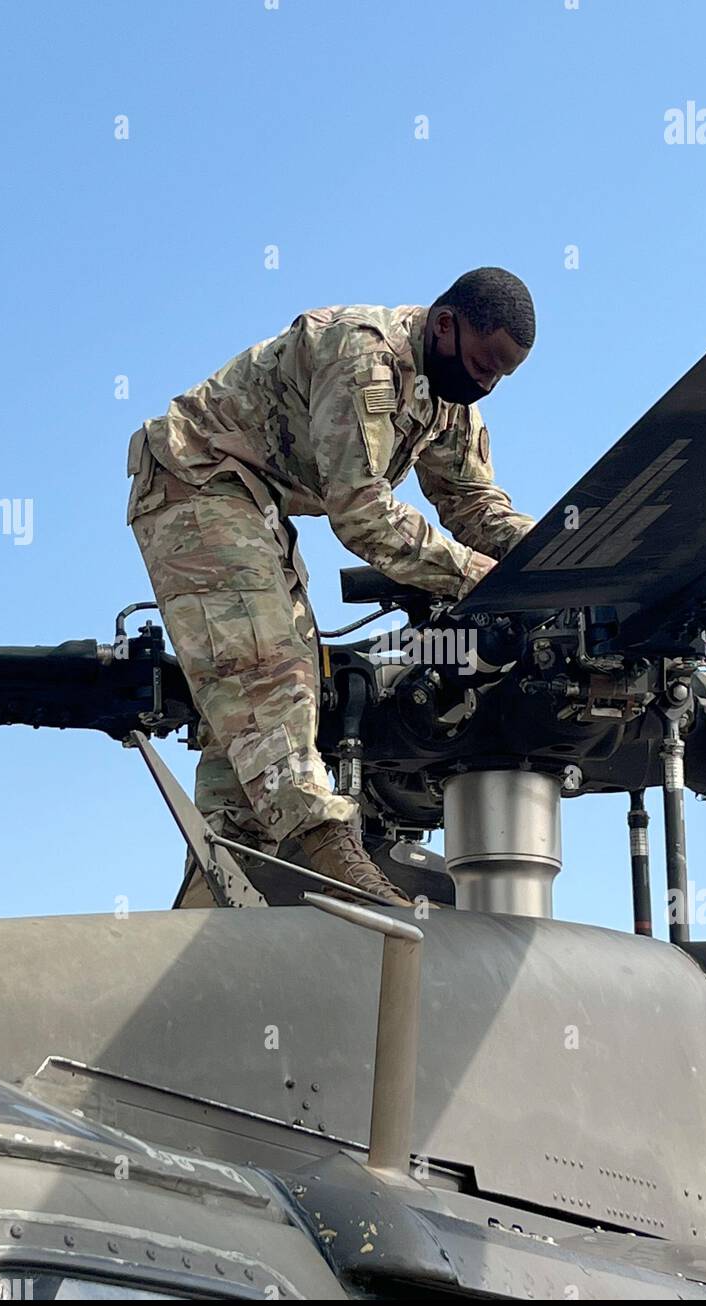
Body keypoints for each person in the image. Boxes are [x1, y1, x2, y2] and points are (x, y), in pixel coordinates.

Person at [128, 267, 536, 905]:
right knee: (270, 671)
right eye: (484, 364)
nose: (487, 383)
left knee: (261, 711)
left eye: (501, 376)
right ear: (447, 324)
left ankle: (224, 870)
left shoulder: (452, 398)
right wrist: (480, 579)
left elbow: (473, 502)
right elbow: (365, 517)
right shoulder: (365, 356)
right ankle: (321, 842)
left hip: (257, 503)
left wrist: (548, 563)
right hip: (198, 479)